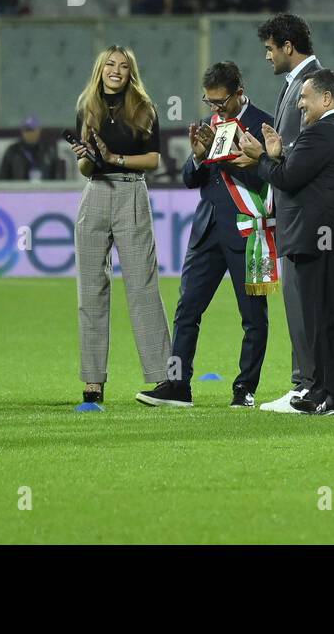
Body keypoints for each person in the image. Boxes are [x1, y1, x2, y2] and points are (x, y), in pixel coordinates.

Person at [137, 62, 276, 409]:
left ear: (239, 92)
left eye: (221, 102)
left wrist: (223, 155)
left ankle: (244, 389)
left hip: (248, 233)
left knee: (253, 317)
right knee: (187, 310)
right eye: (209, 102)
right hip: (206, 231)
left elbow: (265, 179)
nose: (215, 108)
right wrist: (199, 158)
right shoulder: (212, 124)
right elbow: (190, 178)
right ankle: (177, 385)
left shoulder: (262, 124)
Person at [237, 69, 334, 415]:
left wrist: (261, 157)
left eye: (305, 97)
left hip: (322, 242)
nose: (299, 103)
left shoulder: (321, 133)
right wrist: (277, 154)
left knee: (323, 321)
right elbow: (302, 173)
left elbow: (288, 179)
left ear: (326, 98)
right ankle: (323, 393)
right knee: (326, 322)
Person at [67, 45, 173, 405]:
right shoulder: (87, 107)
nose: (116, 70)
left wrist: (114, 158)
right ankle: (92, 382)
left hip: (130, 193)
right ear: (100, 69)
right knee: (90, 291)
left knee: (143, 288)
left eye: (123, 66)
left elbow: (153, 160)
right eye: (110, 64)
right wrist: (89, 159)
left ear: (131, 72)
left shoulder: (144, 107)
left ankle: (163, 379)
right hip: (95, 193)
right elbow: (86, 169)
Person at [254, 13, 322, 411]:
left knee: (302, 301)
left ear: (287, 46)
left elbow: (301, 152)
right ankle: (307, 383)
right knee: (299, 301)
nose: (267, 57)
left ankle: (305, 387)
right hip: (298, 210)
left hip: (303, 211)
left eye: (269, 49)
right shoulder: (299, 83)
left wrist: (262, 158)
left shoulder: (312, 86)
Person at [0, 116, 61, 181]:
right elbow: (2, 177)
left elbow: (57, 176)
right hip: (18, 189)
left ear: (38, 130)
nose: (29, 134)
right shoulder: (13, 151)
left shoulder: (49, 151)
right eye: (27, 130)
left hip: (44, 189)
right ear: (22, 132)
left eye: (32, 130)